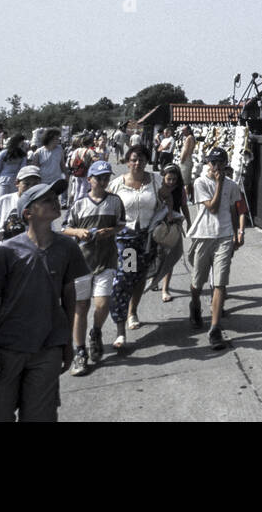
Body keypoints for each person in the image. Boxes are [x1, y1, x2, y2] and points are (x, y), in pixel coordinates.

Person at [0, 181, 88, 421]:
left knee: (41, 414)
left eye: (55, 197)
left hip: (47, 348)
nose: (55, 202)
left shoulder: (68, 248)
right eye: (46, 200)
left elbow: (68, 296)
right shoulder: (7, 251)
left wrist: (67, 342)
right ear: (28, 213)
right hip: (7, 348)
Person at [62, 161, 124, 373]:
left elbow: (121, 224)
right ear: (90, 180)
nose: (104, 182)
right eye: (100, 178)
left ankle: (95, 332)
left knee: (102, 303)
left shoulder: (115, 201)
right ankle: (80, 351)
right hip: (81, 263)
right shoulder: (79, 203)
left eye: (107, 178)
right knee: (81, 307)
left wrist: (111, 231)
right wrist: (78, 233)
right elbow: (65, 228)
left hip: (106, 259)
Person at [106, 145, 168, 347]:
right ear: (127, 161)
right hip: (128, 240)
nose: (137, 163)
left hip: (148, 238)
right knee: (126, 278)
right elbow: (107, 207)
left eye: (141, 159)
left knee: (141, 276)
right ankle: (120, 328)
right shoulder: (117, 184)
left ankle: (133, 311)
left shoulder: (155, 180)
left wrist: (169, 217)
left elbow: (169, 197)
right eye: (133, 159)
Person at [185, 149, 246, 350]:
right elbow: (211, 207)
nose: (216, 166)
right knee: (198, 282)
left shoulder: (232, 185)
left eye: (220, 162)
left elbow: (234, 208)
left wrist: (238, 232)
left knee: (219, 283)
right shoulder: (200, 182)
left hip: (224, 235)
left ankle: (215, 327)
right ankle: (195, 304)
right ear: (208, 163)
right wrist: (219, 184)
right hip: (204, 235)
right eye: (213, 162)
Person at [0, 166, 43, 269]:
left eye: (35, 184)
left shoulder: (42, 206)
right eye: (26, 184)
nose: (30, 188)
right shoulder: (4, 201)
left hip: (26, 263)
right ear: (17, 183)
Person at [147, 165, 189, 302]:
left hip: (172, 226)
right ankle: (154, 279)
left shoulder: (180, 190)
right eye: (169, 179)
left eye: (174, 180)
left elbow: (184, 206)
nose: (171, 182)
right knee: (155, 254)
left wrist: (189, 221)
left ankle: (165, 289)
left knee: (169, 257)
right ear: (162, 177)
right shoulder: (156, 188)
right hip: (156, 225)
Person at [0, 133, 28, 199]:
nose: (23, 144)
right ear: (16, 142)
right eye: (22, 143)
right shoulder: (4, 153)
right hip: (9, 182)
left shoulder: (22, 155)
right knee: (2, 204)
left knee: (6, 205)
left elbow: (22, 171)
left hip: (10, 183)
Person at [177, 126, 196, 198]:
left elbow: (186, 150)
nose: (182, 132)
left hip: (186, 160)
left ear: (188, 130)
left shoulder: (189, 138)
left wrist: (182, 160)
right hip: (187, 160)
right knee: (187, 179)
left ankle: (187, 197)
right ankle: (189, 196)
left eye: (184, 130)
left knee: (185, 180)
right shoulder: (191, 137)